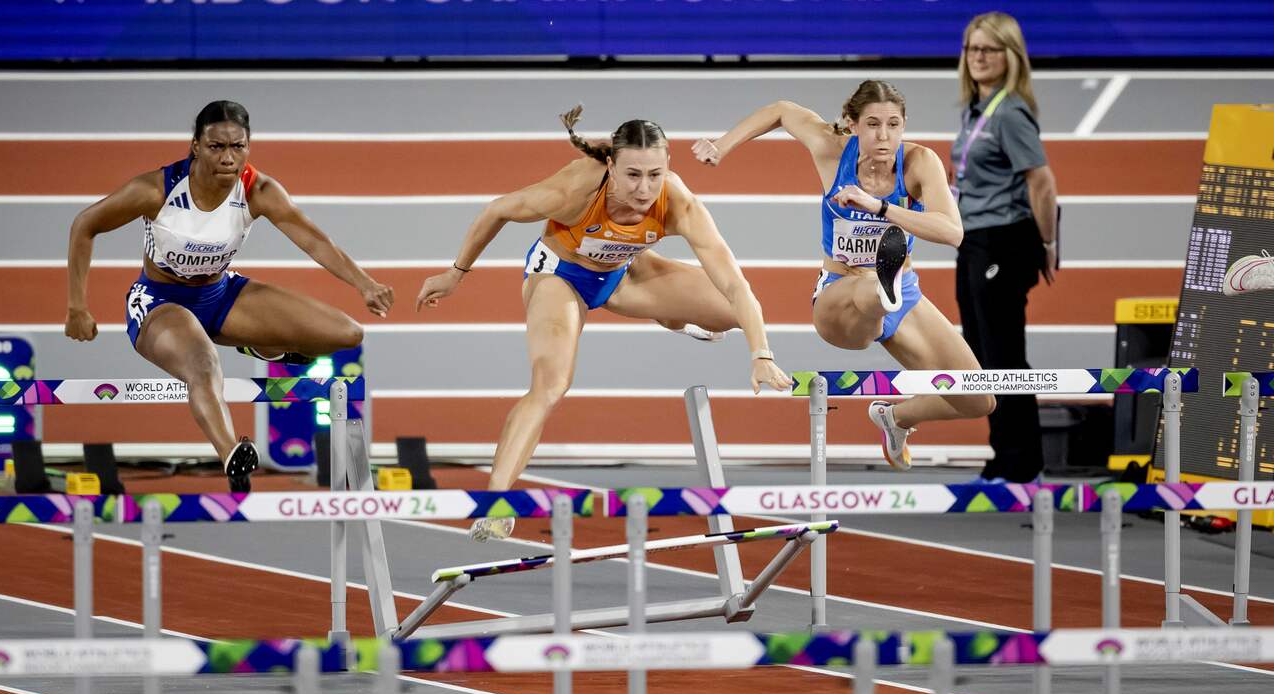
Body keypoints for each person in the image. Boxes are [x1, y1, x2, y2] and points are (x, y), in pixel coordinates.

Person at [417, 105, 793, 541]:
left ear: (668, 166)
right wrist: (456, 273)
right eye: (632, 175)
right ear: (611, 166)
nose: (644, 188)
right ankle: (496, 503)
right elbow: (498, 209)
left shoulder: (678, 203)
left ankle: (670, 315)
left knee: (734, 314)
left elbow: (735, 283)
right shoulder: (575, 191)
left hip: (623, 276)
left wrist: (761, 354)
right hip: (561, 279)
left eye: (654, 175)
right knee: (551, 385)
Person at [65, 100, 394, 492]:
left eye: (237, 147)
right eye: (216, 147)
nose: (227, 157)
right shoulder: (156, 190)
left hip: (221, 295)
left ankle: (259, 345)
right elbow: (85, 224)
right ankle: (231, 454)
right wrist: (77, 306)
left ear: (248, 147)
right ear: (196, 146)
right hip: (161, 303)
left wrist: (364, 283)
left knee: (346, 334)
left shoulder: (259, 190)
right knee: (203, 365)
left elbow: (315, 241)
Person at [694, 80, 994, 471]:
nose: (884, 136)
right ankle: (880, 291)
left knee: (978, 399)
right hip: (841, 297)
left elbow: (952, 232)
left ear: (904, 125)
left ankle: (895, 416)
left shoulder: (920, 162)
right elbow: (781, 109)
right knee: (870, 289)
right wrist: (722, 145)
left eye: (893, 125)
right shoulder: (831, 150)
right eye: (872, 124)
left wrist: (879, 207)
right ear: (852, 125)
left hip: (905, 296)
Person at [952, 12, 1059, 483]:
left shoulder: (1010, 112)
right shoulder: (977, 107)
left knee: (1003, 355)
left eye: (988, 49)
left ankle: (1022, 461)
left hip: (1004, 242)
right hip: (975, 240)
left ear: (1009, 55)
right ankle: (1004, 454)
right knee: (980, 353)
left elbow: (1043, 183)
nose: (977, 57)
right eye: (972, 48)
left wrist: (1047, 243)